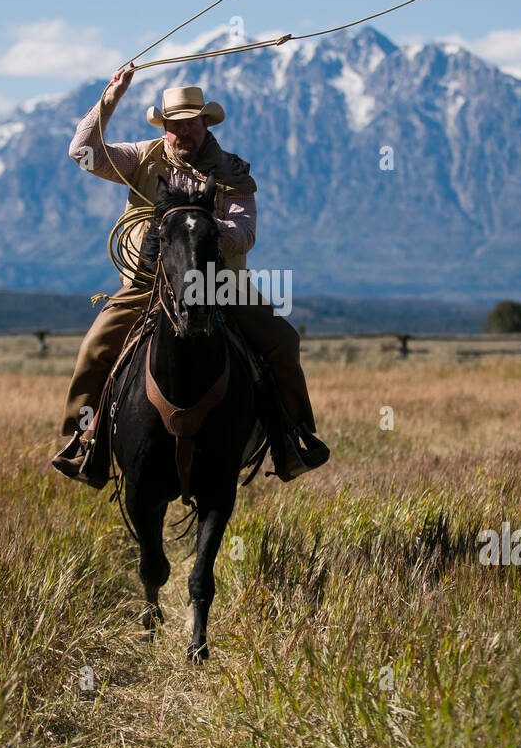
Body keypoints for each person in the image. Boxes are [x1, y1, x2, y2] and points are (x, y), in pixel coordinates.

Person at [52, 66, 329, 486]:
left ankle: (291, 439)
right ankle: (84, 442)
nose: (183, 132)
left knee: (283, 342)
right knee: (94, 348)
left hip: (222, 283)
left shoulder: (232, 170)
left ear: (205, 123)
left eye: (191, 123)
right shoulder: (141, 157)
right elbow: (82, 152)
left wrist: (205, 227)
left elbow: (245, 233)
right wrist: (109, 100)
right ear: (164, 128)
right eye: (174, 125)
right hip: (148, 283)